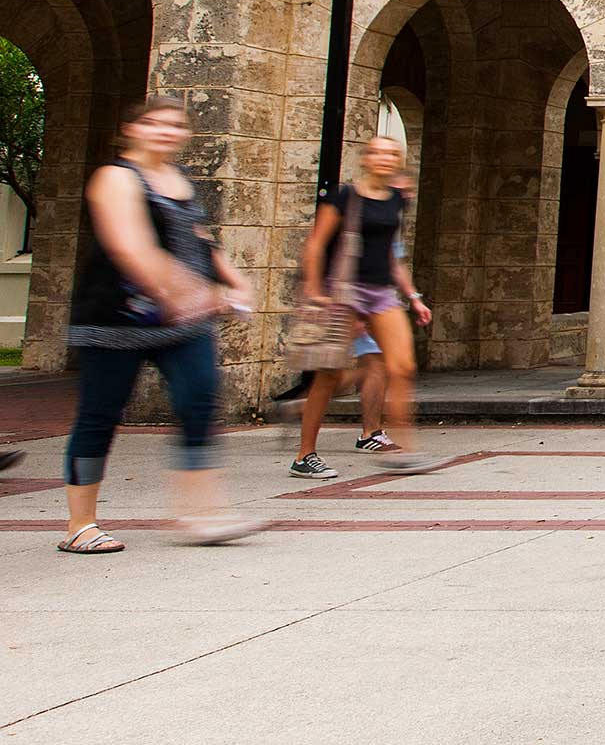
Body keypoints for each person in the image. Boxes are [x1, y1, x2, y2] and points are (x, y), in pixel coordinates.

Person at [58, 96, 266, 553]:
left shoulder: (180, 180)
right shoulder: (115, 178)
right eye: (155, 123)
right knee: (99, 415)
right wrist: (191, 293)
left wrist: (234, 281)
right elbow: (130, 247)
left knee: (199, 401)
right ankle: (80, 525)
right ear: (131, 129)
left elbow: (203, 242)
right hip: (116, 319)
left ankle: (200, 512)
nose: (167, 132)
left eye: (175, 125)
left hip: (182, 322)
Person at [291, 135, 440, 477]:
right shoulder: (345, 197)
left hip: (380, 291)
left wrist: (413, 297)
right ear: (366, 159)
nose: (385, 158)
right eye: (378, 153)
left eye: (392, 153)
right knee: (328, 375)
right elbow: (316, 245)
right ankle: (304, 455)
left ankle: (403, 451)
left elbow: (390, 253)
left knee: (402, 367)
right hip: (345, 290)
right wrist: (315, 291)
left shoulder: (395, 200)